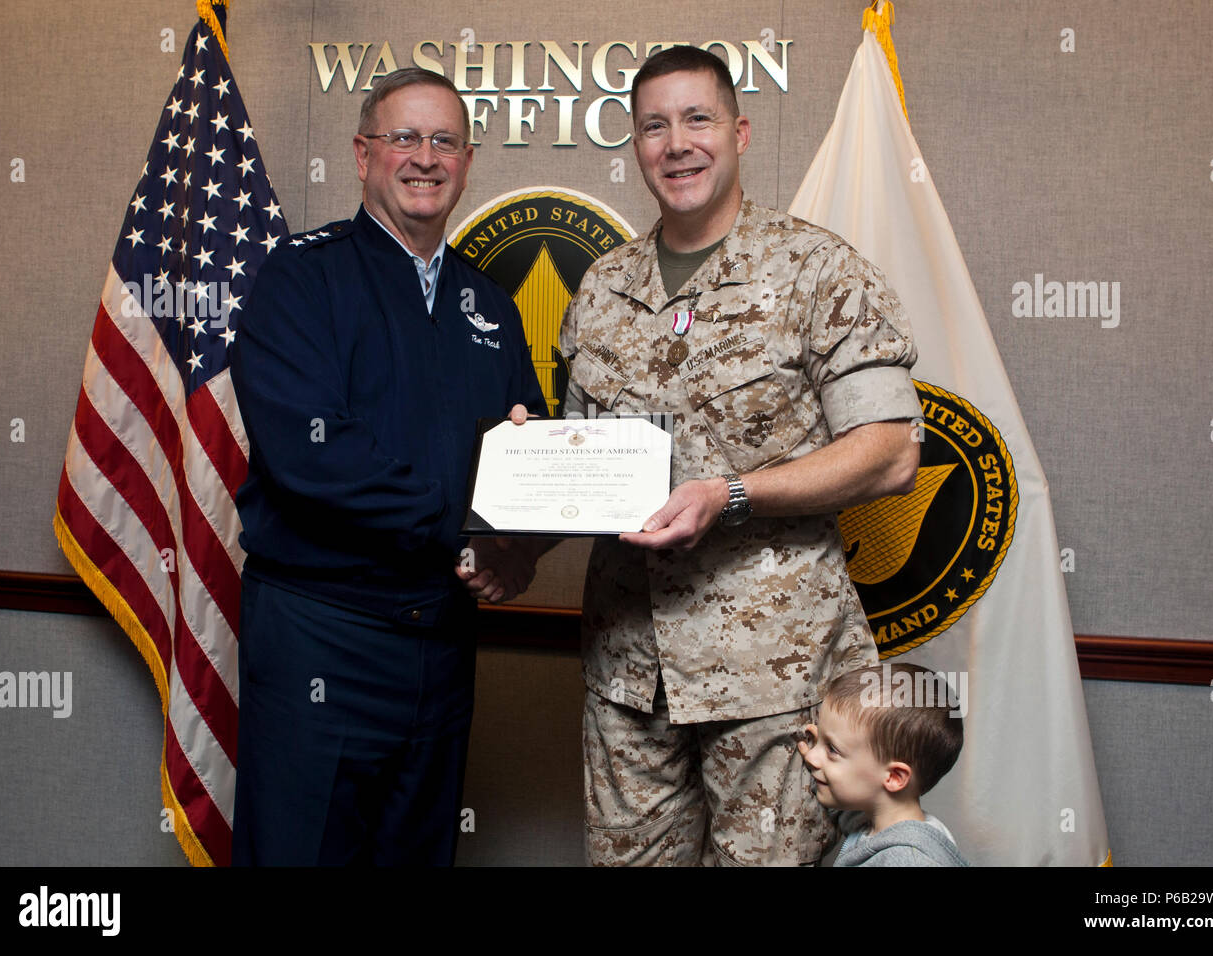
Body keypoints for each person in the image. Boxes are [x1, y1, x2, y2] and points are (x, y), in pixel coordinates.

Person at [557, 45, 923, 865]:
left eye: (698, 119)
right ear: (637, 144)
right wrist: (530, 461)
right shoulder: (602, 287)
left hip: (774, 678)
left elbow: (891, 451)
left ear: (740, 132)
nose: (677, 142)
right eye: (655, 125)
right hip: (628, 677)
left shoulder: (818, 271)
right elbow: (581, 467)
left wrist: (731, 494)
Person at [230, 68, 546, 866]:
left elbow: (530, 447)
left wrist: (522, 545)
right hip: (322, 637)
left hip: (441, 643)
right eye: (404, 137)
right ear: (364, 154)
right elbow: (313, 456)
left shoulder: (490, 306)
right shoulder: (301, 277)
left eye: (444, 141)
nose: (424, 157)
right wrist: (463, 534)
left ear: (469, 162)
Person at [798, 662, 967, 866]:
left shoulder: (908, 861)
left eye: (832, 749)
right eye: (819, 741)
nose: (812, 757)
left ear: (894, 777)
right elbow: (842, 803)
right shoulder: (871, 818)